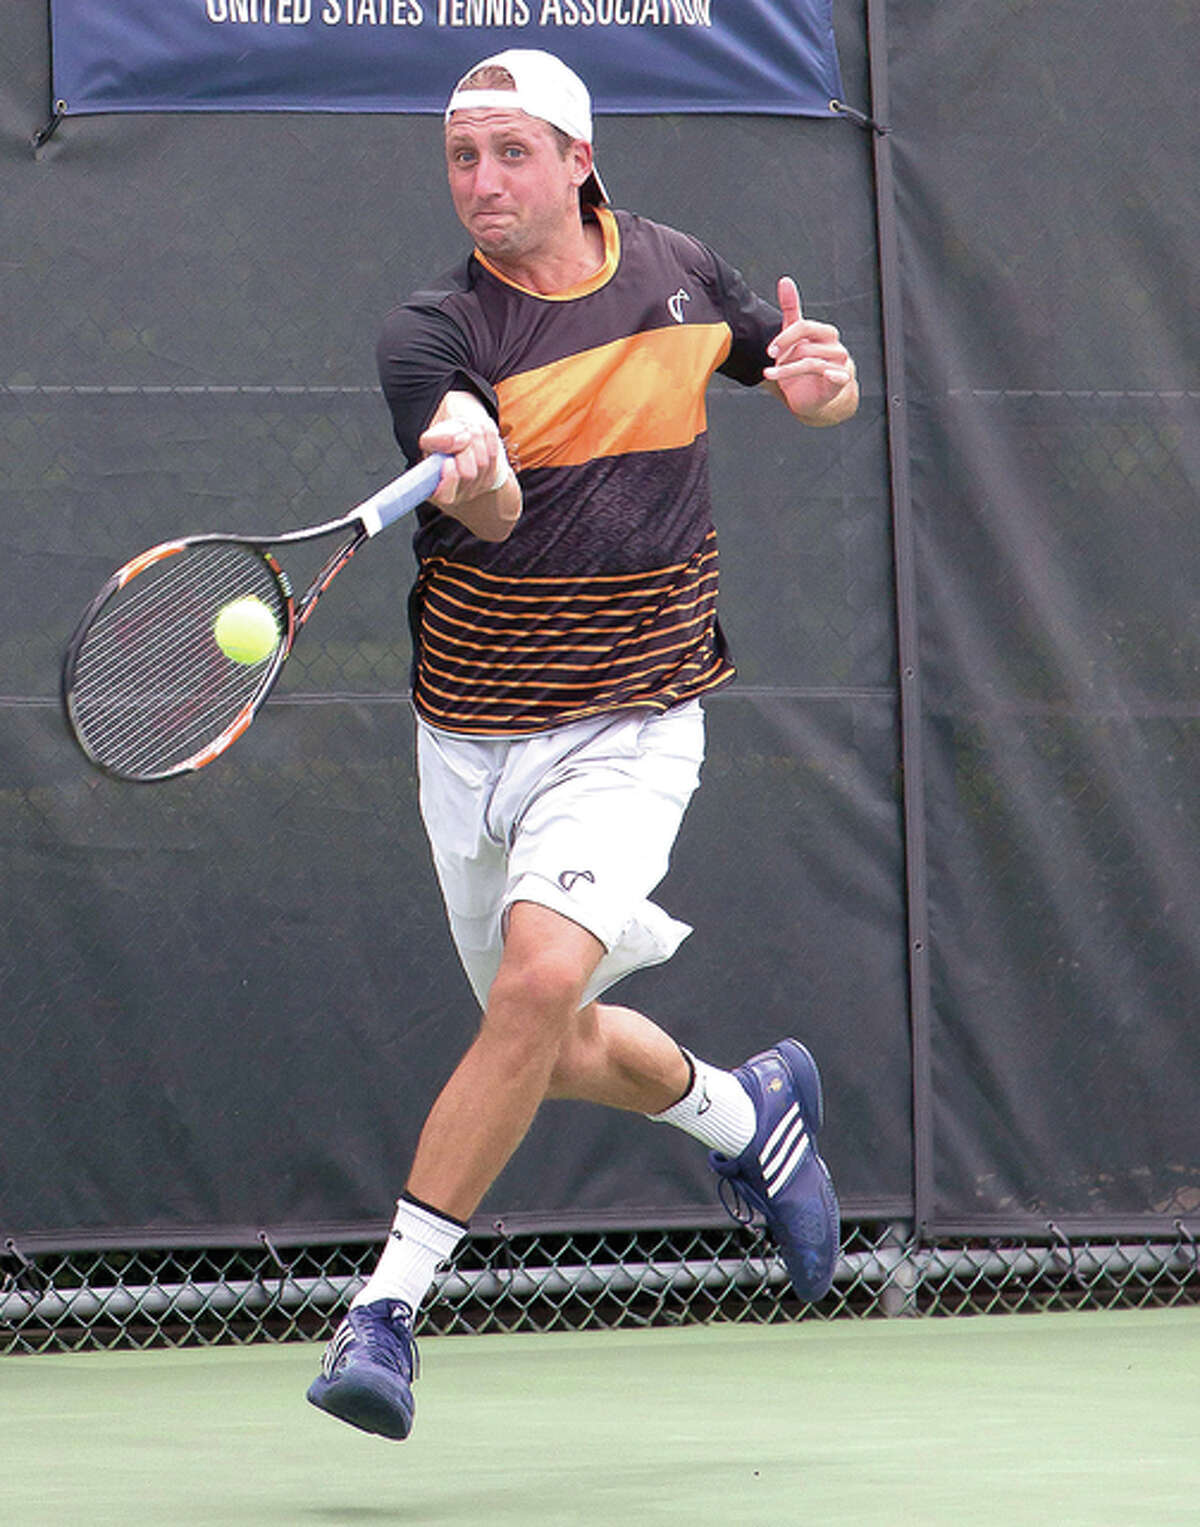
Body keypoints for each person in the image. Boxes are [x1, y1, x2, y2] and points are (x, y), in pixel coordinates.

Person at [307, 48, 858, 1441]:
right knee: (542, 1040)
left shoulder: (676, 270)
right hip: (467, 738)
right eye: (462, 156)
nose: (482, 181)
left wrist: (821, 386)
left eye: (511, 152)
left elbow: (784, 367)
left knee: (537, 984)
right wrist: (479, 467)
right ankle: (745, 1115)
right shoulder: (432, 328)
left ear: (577, 160)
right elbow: (481, 496)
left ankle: (385, 1312)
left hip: (632, 719)